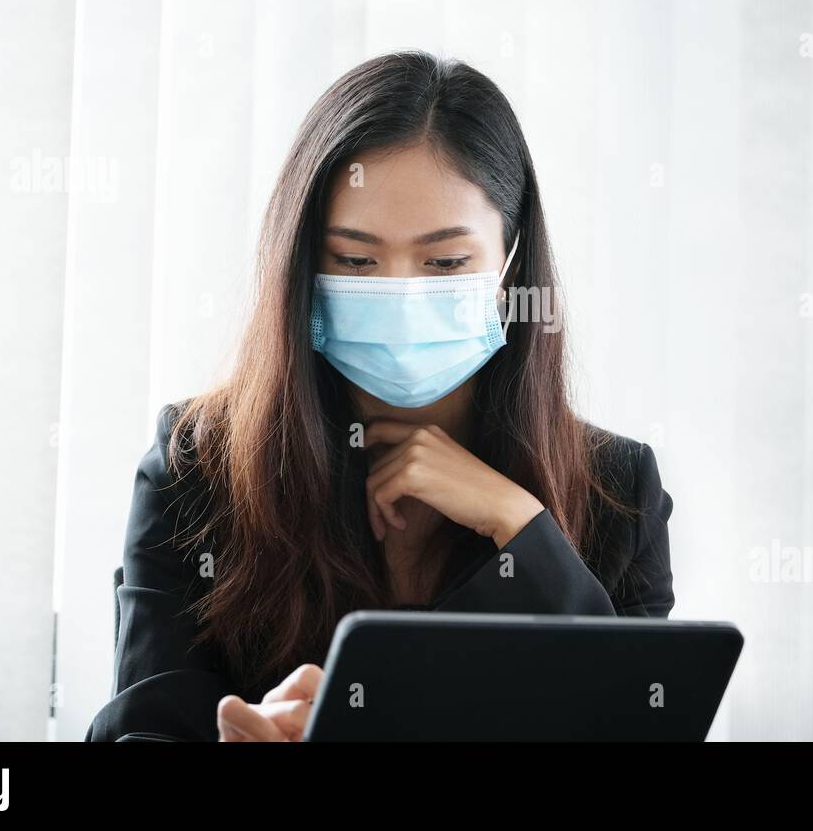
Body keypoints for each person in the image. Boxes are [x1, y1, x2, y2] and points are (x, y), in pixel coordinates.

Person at [85, 50, 675, 742]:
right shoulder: (198, 465)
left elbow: (631, 720)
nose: (399, 290)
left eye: (447, 261)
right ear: (302, 263)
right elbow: (143, 726)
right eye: (355, 260)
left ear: (513, 264)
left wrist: (522, 527)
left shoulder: (618, 492)